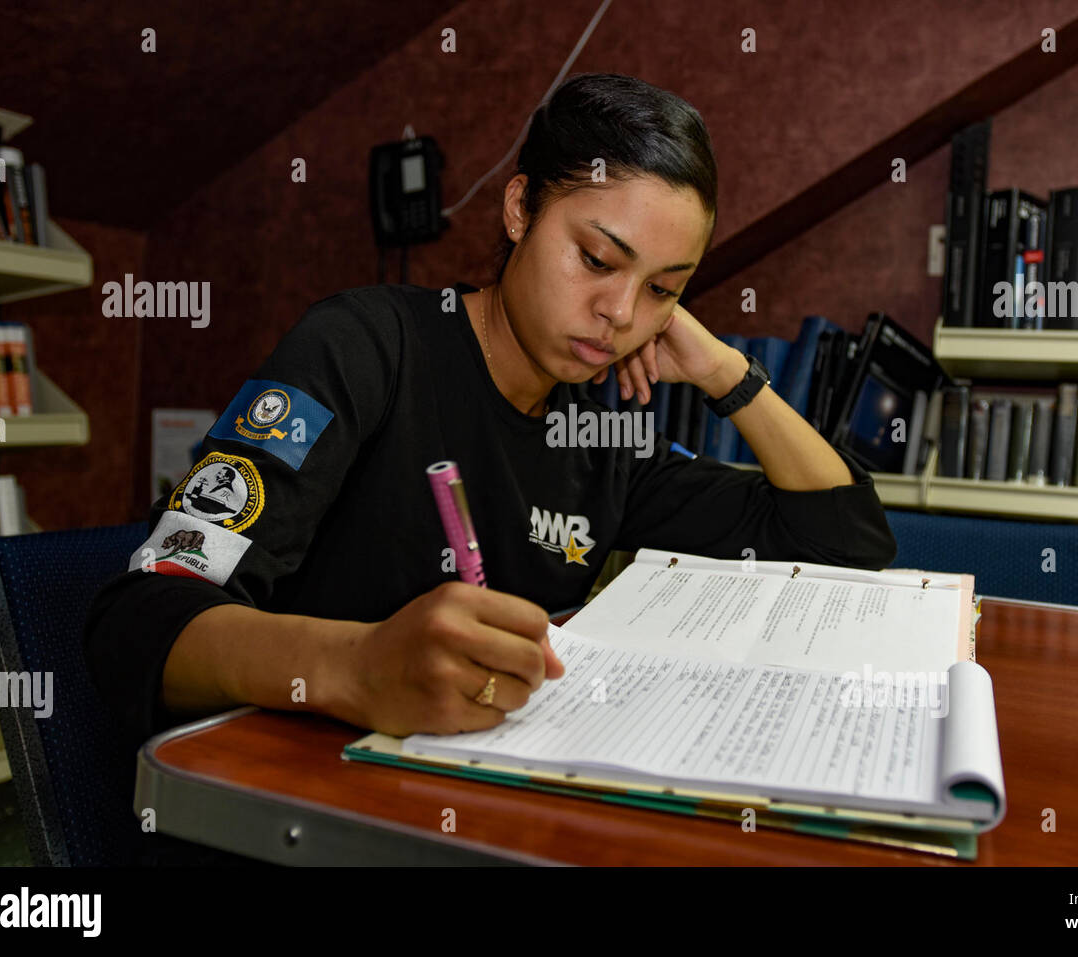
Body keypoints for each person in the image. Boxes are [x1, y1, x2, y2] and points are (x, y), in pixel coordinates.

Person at [82, 72, 896, 749]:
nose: (619, 312)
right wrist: (360, 666)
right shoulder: (363, 348)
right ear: (518, 210)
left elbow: (842, 537)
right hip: (290, 799)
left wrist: (726, 372)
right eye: (597, 259)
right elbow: (140, 618)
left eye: (662, 289)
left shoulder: (602, 432)